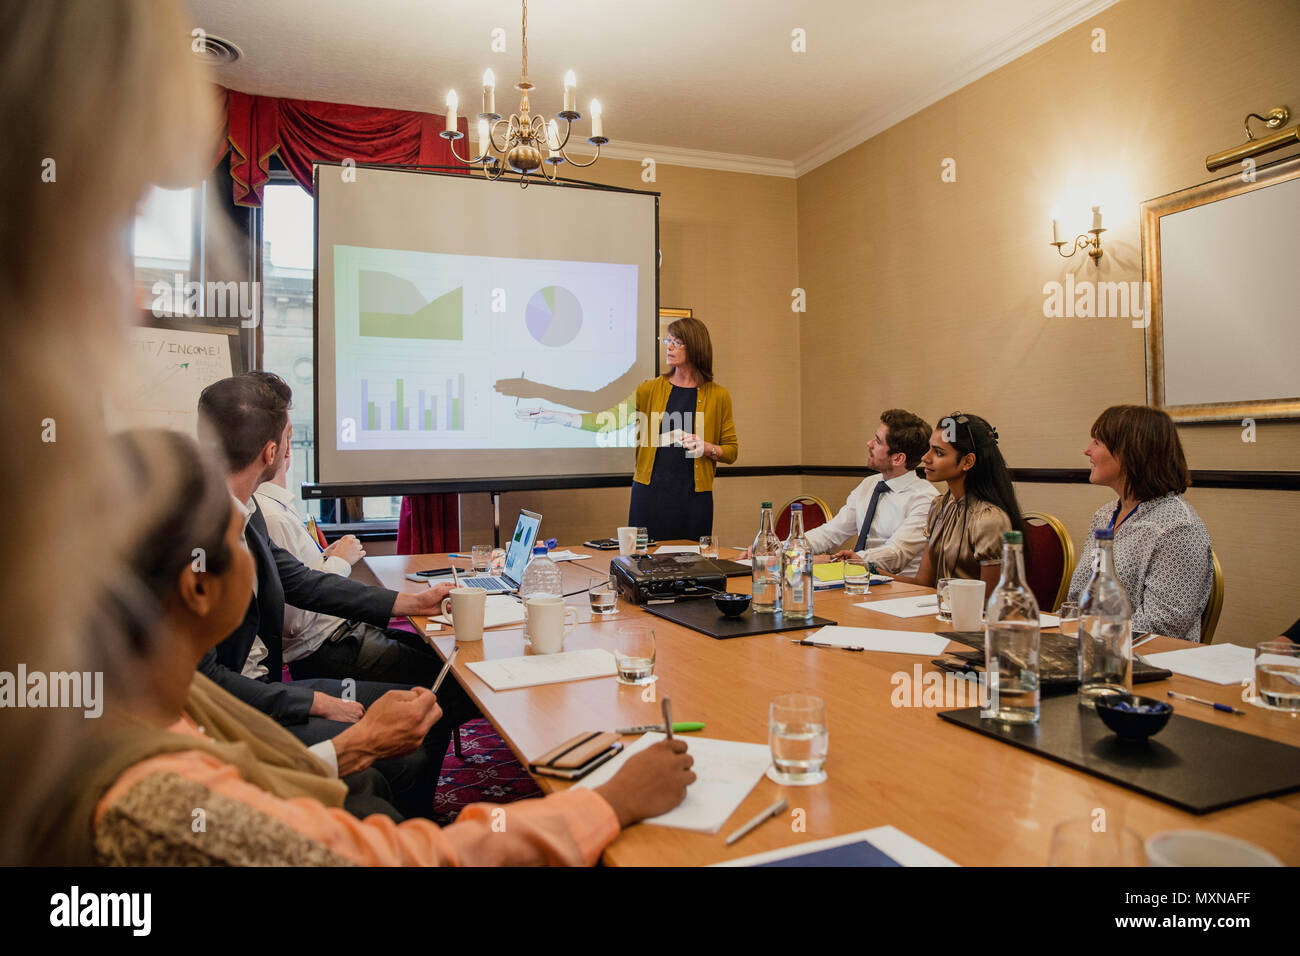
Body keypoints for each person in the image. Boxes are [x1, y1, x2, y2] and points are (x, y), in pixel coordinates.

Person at [36, 428, 696, 865]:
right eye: (237, 539)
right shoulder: (161, 806)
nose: (255, 550)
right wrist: (607, 801)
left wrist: (354, 746)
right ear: (196, 587)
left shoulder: (134, 703)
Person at [246, 372, 452, 684]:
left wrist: (325, 562)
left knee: (442, 656)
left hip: (342, 630)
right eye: (288, 434)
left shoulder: (271, 510)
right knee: (451, 680)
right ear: (277, 449)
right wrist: (339, 562)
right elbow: (295, 615)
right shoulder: (268, 516)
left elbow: (301, 580)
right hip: (327, 646)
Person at [526, 316, 738, 541]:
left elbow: (732, 451)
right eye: (668, 341)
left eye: (677, 342)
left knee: (693, 567)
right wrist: (560, 417)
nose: (670, 347)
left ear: (695, 346)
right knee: (644, 567)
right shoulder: (649, 389)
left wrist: (707, 447)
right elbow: (608, 420)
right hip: (650, 496)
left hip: (694, 500)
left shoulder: (718, 395)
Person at [1065, 405, 1213, 642]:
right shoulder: (1104, 515)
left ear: (1131, 453)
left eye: (1097, 443)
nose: (1087, 450)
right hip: (1090, 649)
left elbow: (1162, 626)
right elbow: (1078, 597)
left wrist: (1091, 637)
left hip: (1149, 662)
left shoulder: (1179, 528)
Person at [893, 413, 1025, 593]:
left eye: (938, 452)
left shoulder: (988, 519)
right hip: (941, 611)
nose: (926, 457)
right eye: (929, 448)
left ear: (967, 461)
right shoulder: (939, 506)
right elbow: (924, 583)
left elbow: (989, 601)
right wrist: (871, 573)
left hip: (971, 617)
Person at [803, 409, 938, 575]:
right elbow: (832, 532)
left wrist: (845, 561)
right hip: (858, 580)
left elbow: (895, 554)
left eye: (878, 441)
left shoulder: (925, 499)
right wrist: (786, 549)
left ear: (898, 459)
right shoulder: (870, 484)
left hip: (898, 589)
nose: (869, 443)